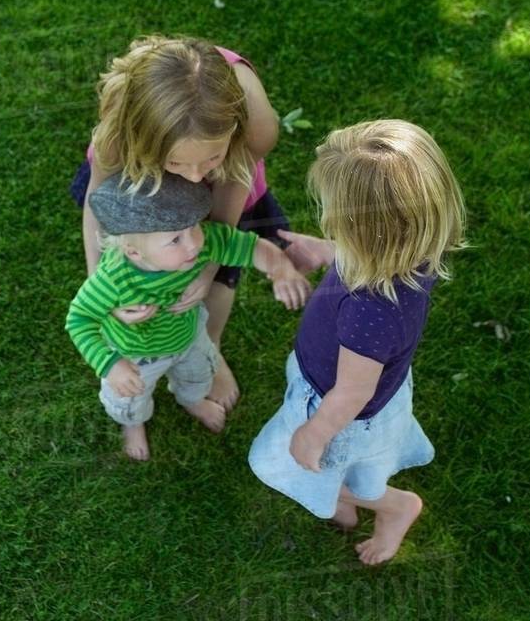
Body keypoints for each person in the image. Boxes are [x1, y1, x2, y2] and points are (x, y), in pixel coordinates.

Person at [247, 120, 466, 565]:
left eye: (335, 218)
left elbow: (352, 391)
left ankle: (394, 506)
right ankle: (343, 496)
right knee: (337, 470)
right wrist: (328, 252)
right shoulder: (409, 251)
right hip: (356, 395)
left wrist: (315, 431)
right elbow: (361, 250)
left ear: (365, 235)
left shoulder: (373, 310)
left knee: (285, 464)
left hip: (338, 412)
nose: (326, 216)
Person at [70, 35, 312, 413]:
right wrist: (102, 284)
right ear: (142, 140)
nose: (195, 178)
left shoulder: (255, 129)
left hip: (230, 178)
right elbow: (99, 207)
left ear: (233, 131)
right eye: (178, 164)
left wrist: (207, 270)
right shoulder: (120, 132)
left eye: (208, 158)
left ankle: (208, 345)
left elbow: (224, 219)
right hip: (144, 177)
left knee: (219, 277)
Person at [66, 170, 306, 462]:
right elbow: (79, 320)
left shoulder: (203, 244)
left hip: (189, 337)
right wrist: (111, 365)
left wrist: (280, 268)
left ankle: (192, 401)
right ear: (134, 251)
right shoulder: (113, 279)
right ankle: (132, 423)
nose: (193, 243)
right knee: (129, 398)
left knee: (198, 377)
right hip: (135, 356)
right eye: (175, 239)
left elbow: (251, 246)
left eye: (194, 227)